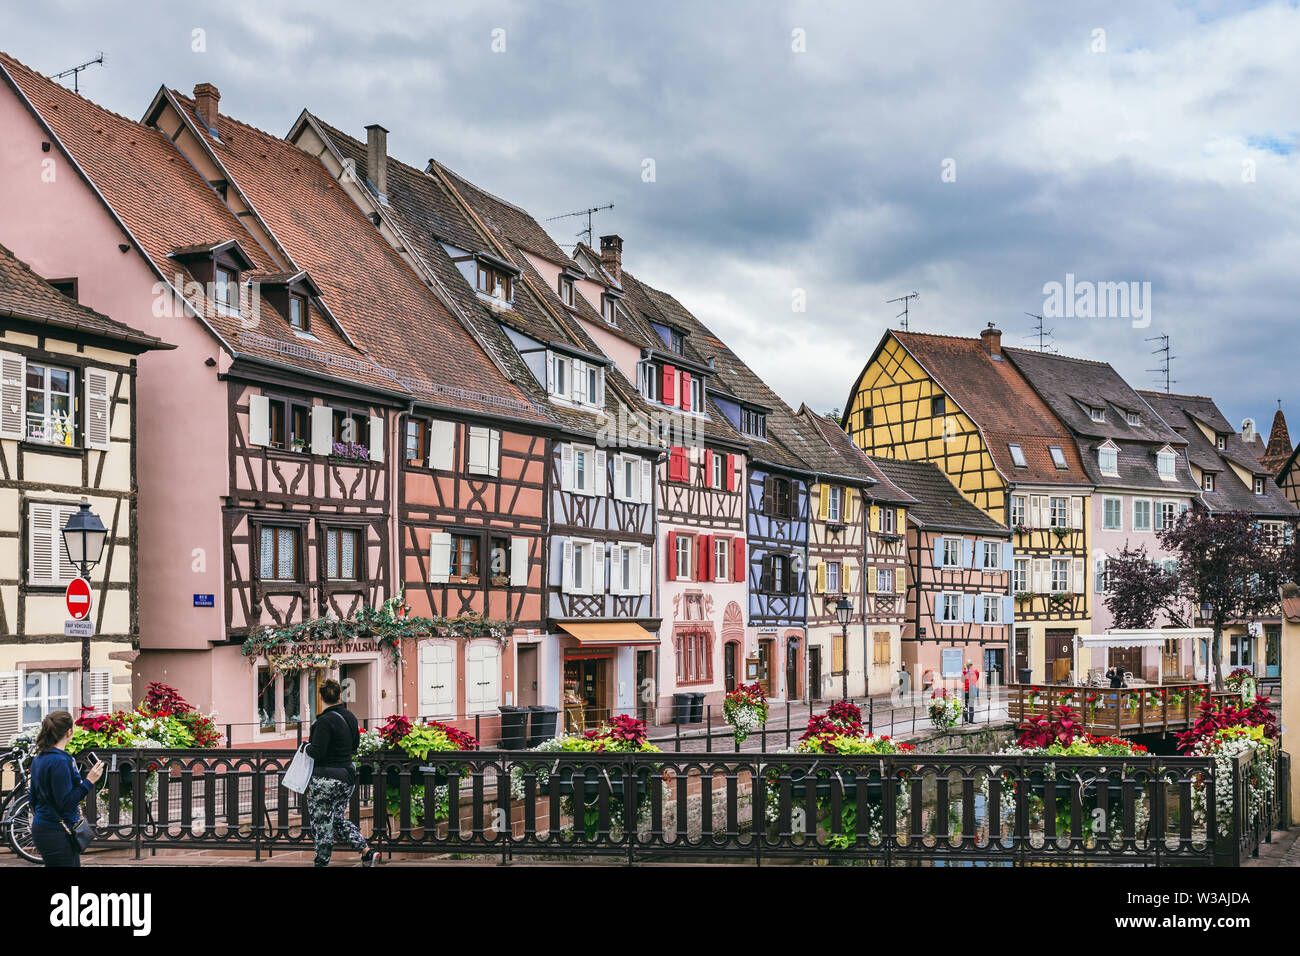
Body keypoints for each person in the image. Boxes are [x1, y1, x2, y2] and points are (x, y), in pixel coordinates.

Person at [305, 678, 379, 867]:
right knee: (337, 819)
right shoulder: (351, 717)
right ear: (339, 695)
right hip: (346, 777)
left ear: (321, 698)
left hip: (325, 779)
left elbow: (317, 751)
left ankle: (321, 862)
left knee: (322, 822)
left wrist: (306, 748)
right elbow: (355, 746)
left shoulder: (323, 721)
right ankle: (367, 852)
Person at [29, 710, 103, 867]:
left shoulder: (39, 758)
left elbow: (33, 799)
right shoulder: (60, 761)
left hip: (43, 827)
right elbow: (66, 802)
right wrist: (89, 781)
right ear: (69, 732)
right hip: (57, 832)